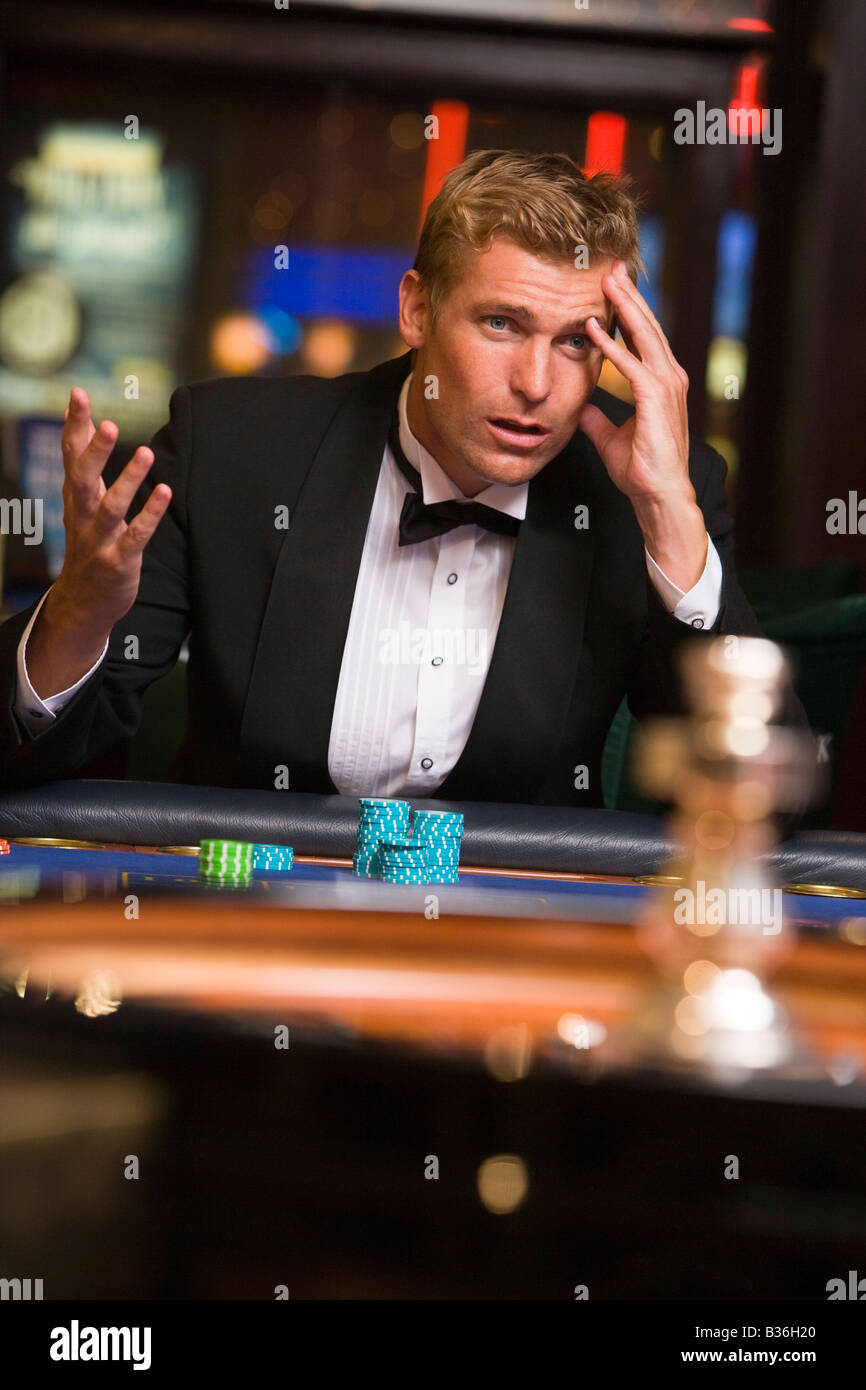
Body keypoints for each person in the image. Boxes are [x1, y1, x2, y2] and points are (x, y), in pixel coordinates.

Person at [0, 150, 807, 805]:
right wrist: (77, 609)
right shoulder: (234, 447)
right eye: (501, 323)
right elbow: (27, 756)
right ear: (417, 310)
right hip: (239, 932)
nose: (537, 383)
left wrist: (670, 516)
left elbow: (774, 813)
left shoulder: (648, 492)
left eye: (575, 342)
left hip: (512, 964)